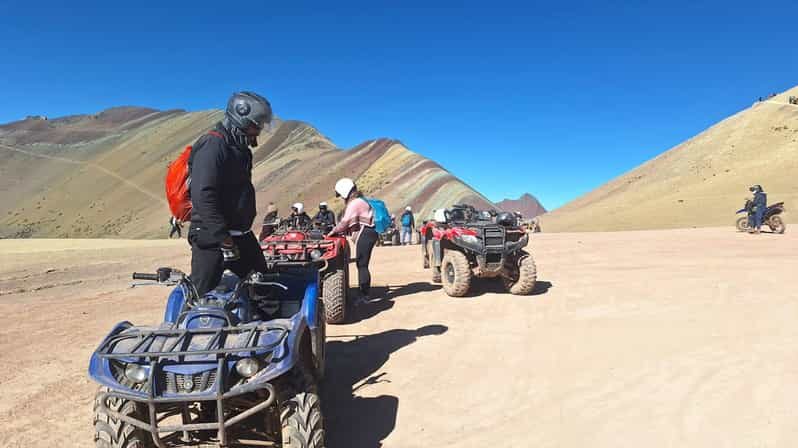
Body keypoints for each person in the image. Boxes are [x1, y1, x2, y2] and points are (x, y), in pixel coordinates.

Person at [187, 91, 272, 296]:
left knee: (262, 284)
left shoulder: (240, 149)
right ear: (240, 117)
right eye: (255, 125)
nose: (258, 131)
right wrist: (222, 237)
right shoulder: (213, 145)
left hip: (239, 234)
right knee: (200, 295)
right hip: (212, 235)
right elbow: (203, 194)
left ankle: (259, 323)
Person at [328, 178, 378, 300]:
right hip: (369, 233)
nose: (341, 198)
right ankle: (364, 292)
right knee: (362, 264)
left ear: (345, 191)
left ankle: (364, 295)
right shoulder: (359, 201)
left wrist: (333, 231)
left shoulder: (355, 203)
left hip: (365, 233)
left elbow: (344, 222)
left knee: (362, 265)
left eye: (340, 195)